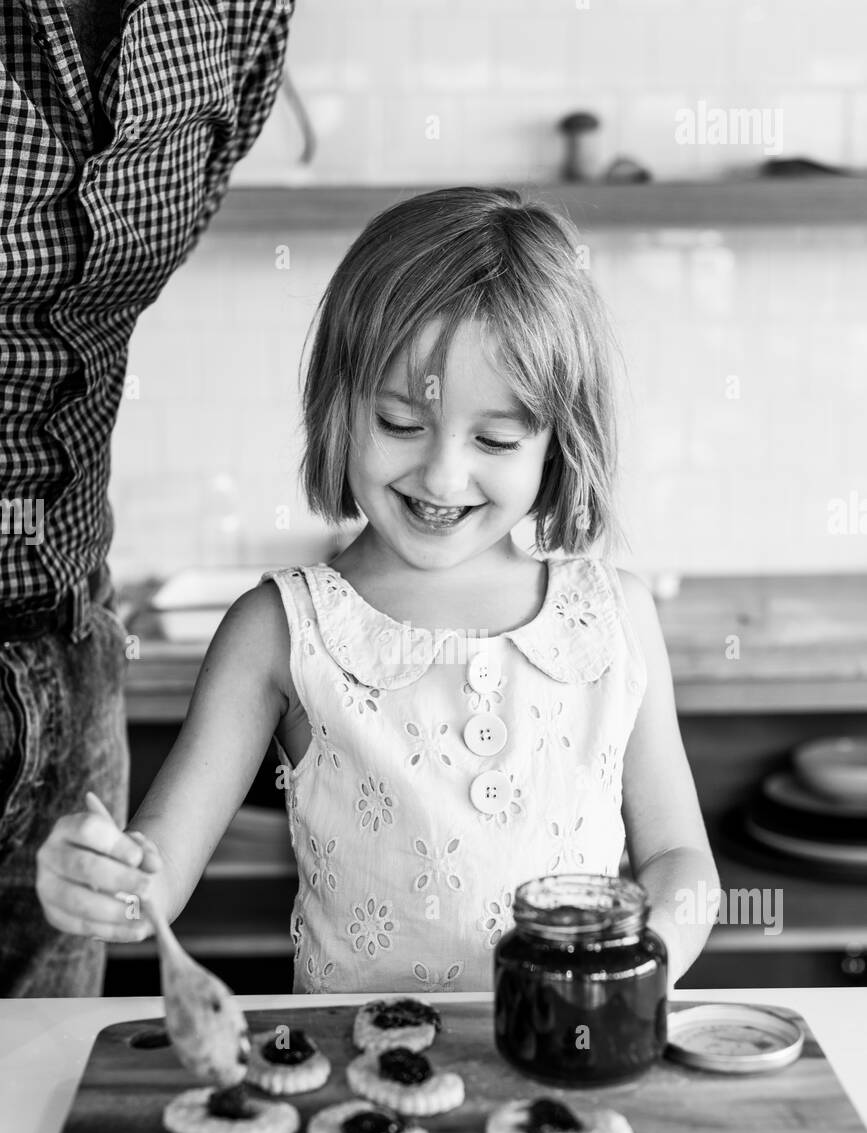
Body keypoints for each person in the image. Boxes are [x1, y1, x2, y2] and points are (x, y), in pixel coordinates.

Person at [36, 186, 720, 994]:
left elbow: (681, 862)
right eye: (401, 423)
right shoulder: (279, 627)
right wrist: (103, 880)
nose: (441, 473)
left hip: (561, 1064)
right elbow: (158, 873)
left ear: (556, 443)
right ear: (338, 408)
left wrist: (639, 969)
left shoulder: (614, 616)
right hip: (359, 1082)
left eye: (494, 438)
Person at [0, 1, 293, 996]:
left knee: (38, 1098)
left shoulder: (236, 13)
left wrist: (130, 877)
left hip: (67, 642)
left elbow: (148, 875)